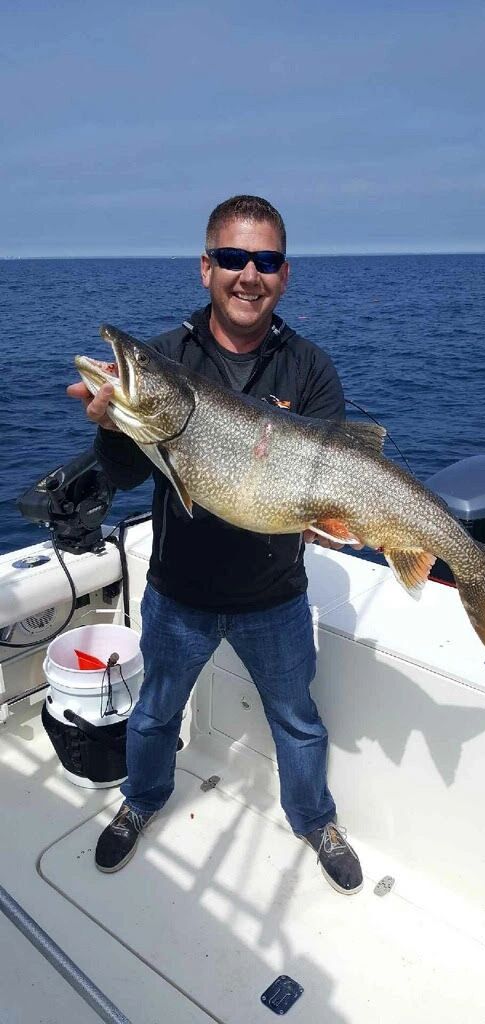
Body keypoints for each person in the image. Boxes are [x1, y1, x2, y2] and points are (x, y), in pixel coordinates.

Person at [68, 195, 363, 895]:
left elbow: (333, 476)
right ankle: (140, 801)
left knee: (298, 722)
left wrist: (336, 517)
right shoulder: (166, 359)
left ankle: (314, 819)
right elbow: (127, 475)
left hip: (276, 598)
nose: (247, 275)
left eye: (264, 261)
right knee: (154, 715)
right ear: (206, 268)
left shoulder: (310, 370)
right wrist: (112, 430)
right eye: (232, 258)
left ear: (283, 275)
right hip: (179, 594)